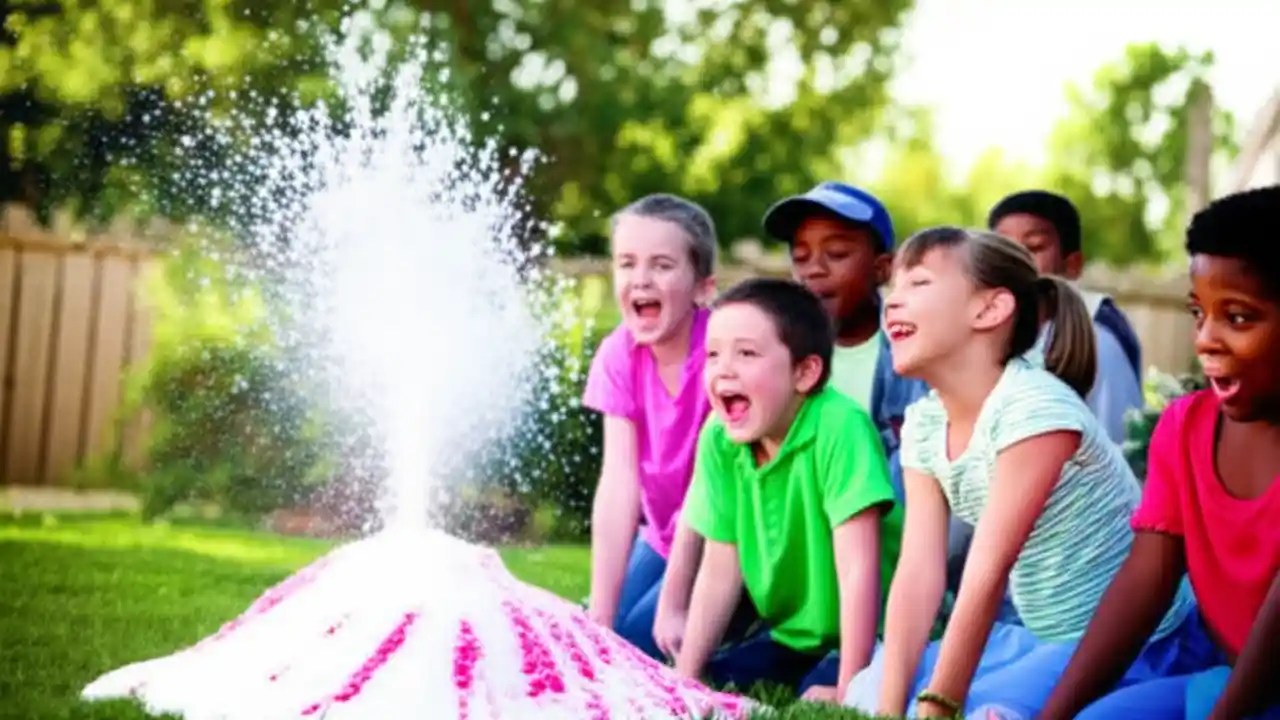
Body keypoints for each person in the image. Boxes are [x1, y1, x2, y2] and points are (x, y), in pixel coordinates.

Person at [845, 227, 1203, 720]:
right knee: (872, 687)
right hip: (1040, 637)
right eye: (893, 287)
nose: (892, 301)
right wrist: (890, 708)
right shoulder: (926, 423)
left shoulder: (1034, 408)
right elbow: (917, 573)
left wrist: (937, 706)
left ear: (990, 309)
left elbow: (987, 571)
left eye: (919, 283)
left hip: (1138, 646)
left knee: (973, 710)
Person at [1039, 186, 1280, 720]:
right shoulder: (1186, 426)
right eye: (1200, 313)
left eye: (1238, 317)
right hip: (1232, 684)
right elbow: (1146, 580)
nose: (1206, 339)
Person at [673, 277, 904, 701]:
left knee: (814, 694)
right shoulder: (720, 437)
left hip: (873, 635)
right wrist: (684, 679)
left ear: (804, 372)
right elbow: (720, 568)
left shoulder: (840, 427)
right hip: (791, 635)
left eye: (746, 353)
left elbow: (858, 572)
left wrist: (850, 688)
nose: (723, 368)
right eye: (712, 353)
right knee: (721, 681)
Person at [581, 193, 717, 660]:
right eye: (626, 263)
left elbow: (710, 489)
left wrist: (676, 600)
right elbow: (619, 482)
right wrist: (599, 613)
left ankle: (736, 635)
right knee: (595, 636)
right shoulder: (619, 354)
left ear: (702, 287)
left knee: (637, 647)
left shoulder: (722, 354)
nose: (640, 279)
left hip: (720, 540)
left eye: (661, 265)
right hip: (659, 538)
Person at [988, 190, 1144, 445]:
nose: (1013, 260)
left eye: (1034, 247)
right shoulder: (985, 334)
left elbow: (1119, 447)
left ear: (1072, 265)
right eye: (1002, 248)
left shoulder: (1096, 342)